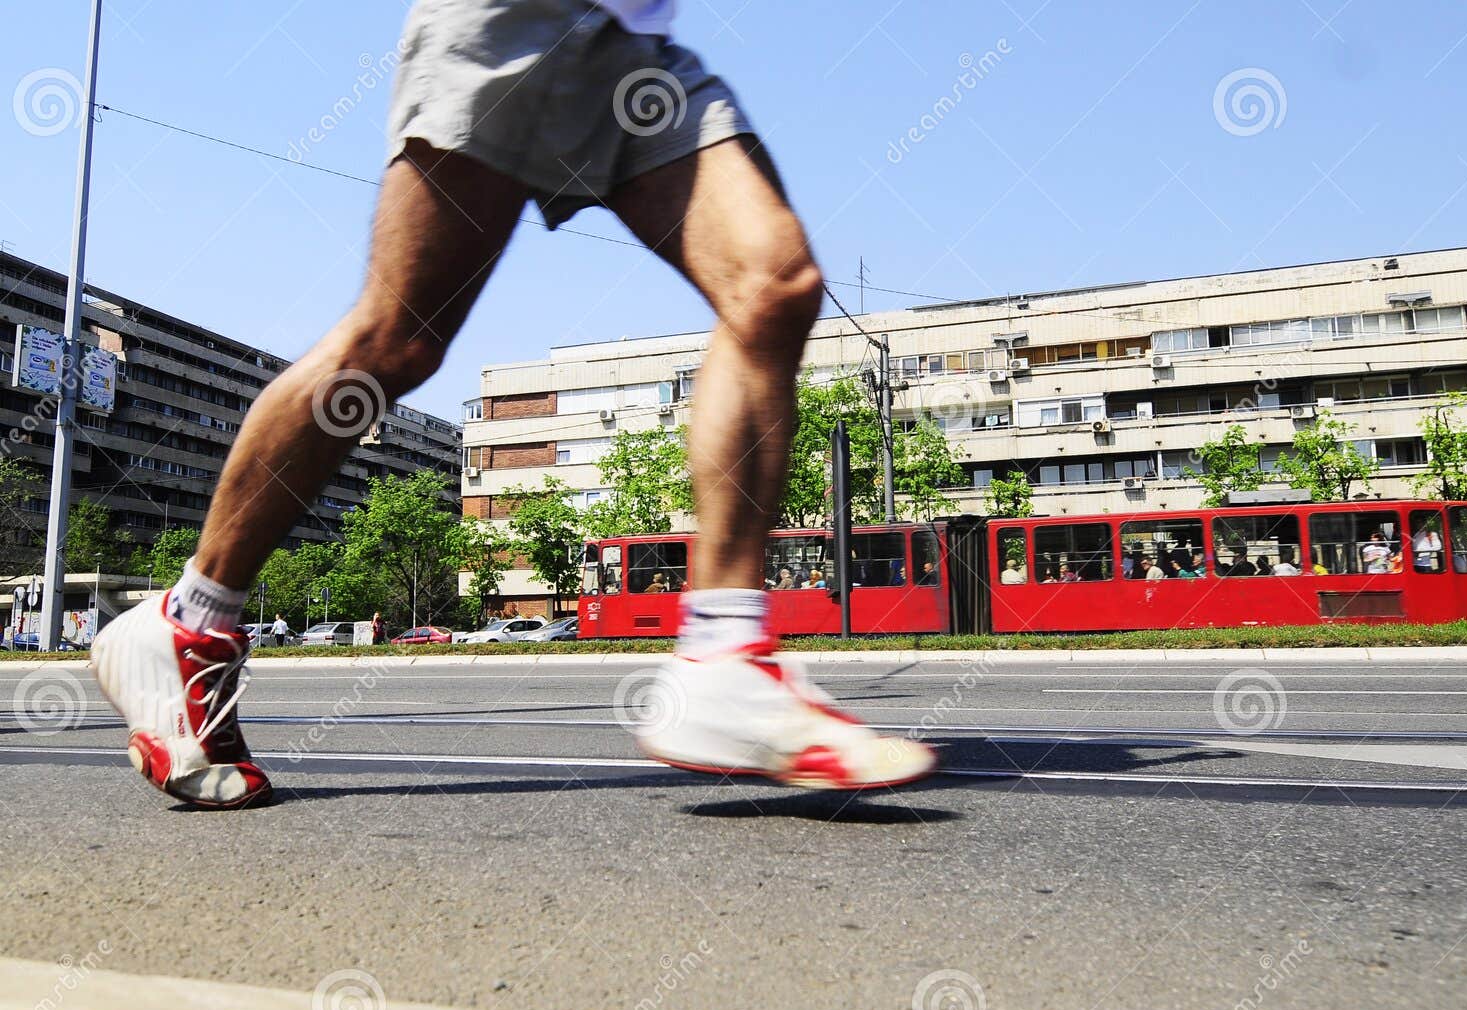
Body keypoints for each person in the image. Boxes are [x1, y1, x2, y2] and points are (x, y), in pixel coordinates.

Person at [88, 0, 933, 809]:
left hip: (628, 46)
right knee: (397, 344)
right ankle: (191, 618)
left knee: (774, 285)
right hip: (505, 17)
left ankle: (724, 657)